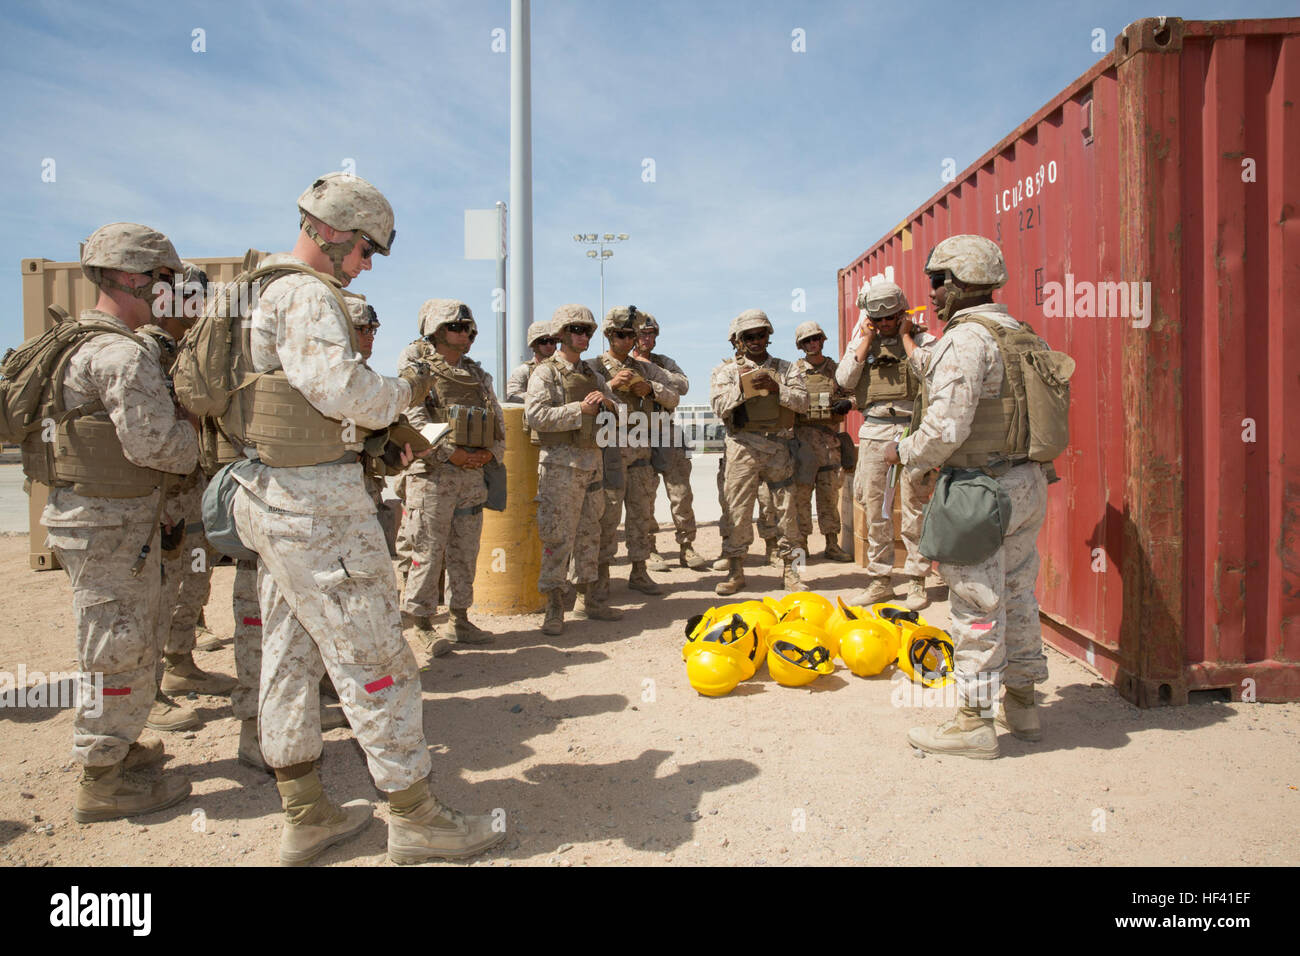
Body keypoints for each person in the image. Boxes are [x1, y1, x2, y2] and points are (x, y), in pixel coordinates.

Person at [228, 172, 504, 863]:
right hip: (317, 505)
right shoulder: (306, 295)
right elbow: (344, 390)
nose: (369, 264)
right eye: (367, 249)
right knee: (376, 657)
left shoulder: (257, 292)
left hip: (272, 495)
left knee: (291, 655)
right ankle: (415, 817)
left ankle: (306, 810)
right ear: (334, 234)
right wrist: (405, 390)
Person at [41, 223, 200, 822]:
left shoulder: (82, 340)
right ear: (135, 278)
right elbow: (158, 446)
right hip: (110, 525)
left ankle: (121, 745)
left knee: (126, 635)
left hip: (105, 519)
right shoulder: (120, 353)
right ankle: (102, 777)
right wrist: (199, 432)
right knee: (115, 644)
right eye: (165, 280)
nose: (170, 294)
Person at [888, 235, 1051, 759]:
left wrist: (902, 451)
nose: (931, 292)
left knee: (976, 603)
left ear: (958, 283)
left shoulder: (966, 340)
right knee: (1020, 591)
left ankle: (974, 723)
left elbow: (945, 429)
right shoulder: (1020, 335)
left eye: (936, 281)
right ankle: (1023, 705)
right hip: (1027, 483)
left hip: (981, 490)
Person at [135, 262, 237, 723]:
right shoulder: (147, 350)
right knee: (153, 591)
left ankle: (180, 662)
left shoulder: (190, 349)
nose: (198, 307)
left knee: (193, 579)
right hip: (158, 492)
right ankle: (147, 689)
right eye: (190, 297)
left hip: (194, 483)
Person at [395, 299, 505, 653]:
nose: (466, 335)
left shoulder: (476, 375)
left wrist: (490, 454)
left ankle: (460, 618)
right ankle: (423, 624)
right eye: (458, 328)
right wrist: (450, 453)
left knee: (465, 550)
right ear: (437, 332)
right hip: (434, 475)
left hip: (472, 476)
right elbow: (414, 419)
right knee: (427, 549)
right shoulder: (418, 369)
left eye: (470, 329)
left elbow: (497, 420)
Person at [835, 281, 938, 609]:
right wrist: (866, 340)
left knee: (913, 509)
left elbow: (932, 373)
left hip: (912, 432)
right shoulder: (862, 342)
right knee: (877, 510)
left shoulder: (922, 340)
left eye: (891, 318)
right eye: (878, 320)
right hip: (875, 433)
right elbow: (844, 380)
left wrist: (907, 338)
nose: (885, 325)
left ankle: (916, 581)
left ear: (903, 312)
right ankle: (880, 580)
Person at [524, 305, 619, 635]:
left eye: (587, 331)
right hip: (560, 466)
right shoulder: (546, 373)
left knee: (589, 533)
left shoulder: (593, 374)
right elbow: (535, 416)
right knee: (557, 536)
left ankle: (588, 599)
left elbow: (617, 408)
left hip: (592, 463)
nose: (583, 336)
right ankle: (554, 606)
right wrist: (577, 409)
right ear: (561, 334)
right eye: (577, 330)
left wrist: (607, 403)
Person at [709, 309, 809, 595]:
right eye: (749, 336)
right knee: (737, 511)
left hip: (778, 445)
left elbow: (803, 403)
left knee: (786, 510)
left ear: (768, 336)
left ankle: (791, 573)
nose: (755, 340)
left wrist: (777, 388)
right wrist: (744, 387)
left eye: (760, 335)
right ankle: (736, 571)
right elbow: (718, 406)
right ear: (740, 340)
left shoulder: (787, 369)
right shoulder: (727, 372)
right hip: (743, 445)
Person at [592, 306, 682, 599]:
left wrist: (650, 389)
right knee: (606, 517)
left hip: (642, 454)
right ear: (608, 336)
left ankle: (639, 571)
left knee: (641, 516)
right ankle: (601, 576)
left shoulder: (645, 368)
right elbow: (581, 399)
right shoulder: (593, 367)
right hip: (610, 455)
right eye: (621, 334)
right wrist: (609, 386)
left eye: (632, 335)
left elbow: (674, 397)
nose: (628, 340)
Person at [632, 313, 709, 572]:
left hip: (666, 431)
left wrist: (653, 379)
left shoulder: (664, 362)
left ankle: (686, 546)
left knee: (681, 493)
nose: (647, 338)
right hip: (637, 434)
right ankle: (650, 548)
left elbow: (683, 385)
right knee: (644, 496)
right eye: (643, 333)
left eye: (652, 334)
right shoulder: (624, 363)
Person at [790, 321, 855, 564]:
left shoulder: (836, 371)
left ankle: (832, 544)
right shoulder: (794, 372)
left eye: (815, 338)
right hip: (803, 443)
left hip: (829, 443)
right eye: (806, 340)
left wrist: (848, 403)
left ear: (822, 339)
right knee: (802, 496)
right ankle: (802, 545)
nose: (812, 343)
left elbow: (854, 393)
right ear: (800, 345)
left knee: (829, 496)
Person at [505, 321, 557, 403]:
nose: (549, 345)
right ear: (535, 344)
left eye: (552, 341)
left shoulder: (560, 369)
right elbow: (511, 396)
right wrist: (541, 395)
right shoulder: (524, 371)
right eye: (543, 341)